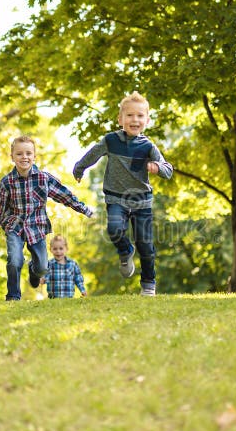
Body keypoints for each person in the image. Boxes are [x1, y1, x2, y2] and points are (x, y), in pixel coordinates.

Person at [73, 91, 173, 296]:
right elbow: (93, 153)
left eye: (139, 116)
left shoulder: (148, 146)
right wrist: (79, 168)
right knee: (114, 229)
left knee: (145, 244)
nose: (134, 119)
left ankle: (148, 284)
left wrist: (157, 167)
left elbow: (168, 170)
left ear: (147, 120)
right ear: (120, 119)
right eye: (129, 115)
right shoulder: (111, 140)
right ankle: (126, 251)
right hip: (116, 197)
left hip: (142, 201)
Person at [0, 136, 93, 301]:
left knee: (42, 268)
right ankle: (13, 296)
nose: (24, 157)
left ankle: (33, 270)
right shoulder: (6, 182)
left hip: (37, 227)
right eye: (19, 154)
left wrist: (84, 209)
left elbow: (65, 196)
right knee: (14, 260)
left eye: (28, 153)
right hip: (15, 227)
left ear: (34, 156)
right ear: (12, 157)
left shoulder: (43, 178)